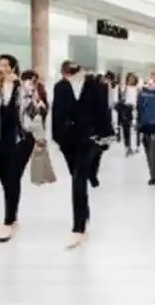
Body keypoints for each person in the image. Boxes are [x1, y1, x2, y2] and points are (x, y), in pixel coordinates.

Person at [0, 54, 44, 243]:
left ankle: (8, 222)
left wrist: (26, 91)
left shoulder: (23, 87)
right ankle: (13, 219)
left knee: (12, 177)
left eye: (6, 65)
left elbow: (35, 110)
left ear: (14, 68)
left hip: (21, 139)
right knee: (7, 181)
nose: (3, 69)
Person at [51, 60, 113, 249]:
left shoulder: (96, 87)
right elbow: (57, 113)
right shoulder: (60, 87)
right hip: (69, 141)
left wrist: (105, 136)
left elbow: (104, 112)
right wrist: (57, 138)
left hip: (90, 139)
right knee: (77, 177)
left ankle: (78, 227)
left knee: (78, 178)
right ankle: (83, 213)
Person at [116, 73, 138, 156]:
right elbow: (123, 99)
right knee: (127, 129)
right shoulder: (126, 88)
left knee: (133, 129)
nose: (130, 80)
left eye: (131, 78)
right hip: (127, 109)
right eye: (129, 78)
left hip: (133, 109)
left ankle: (132, 147)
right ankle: (128, 147)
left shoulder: (136, 89)